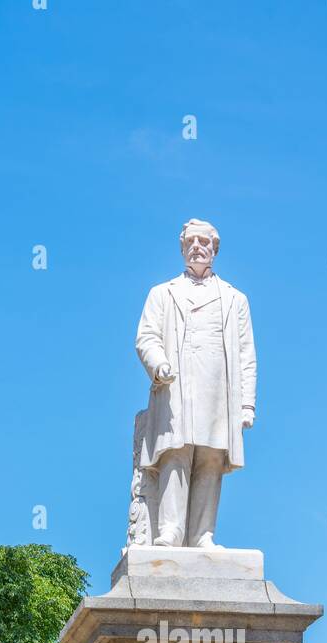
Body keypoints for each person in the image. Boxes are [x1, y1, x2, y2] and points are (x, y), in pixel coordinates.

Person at [135, 219, 257, 548]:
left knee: (211, 457)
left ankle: (203, 533)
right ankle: (171, 531)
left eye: (204, 241)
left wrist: (247, 403)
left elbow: (246, 353)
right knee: (176, 452)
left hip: (218, 387)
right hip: (176, 387)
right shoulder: (162, 293)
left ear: (215, 249)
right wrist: (158, 363)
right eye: (191, 241)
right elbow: (146, 336)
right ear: (182, 247)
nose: (197, 246)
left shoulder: (235, 299)